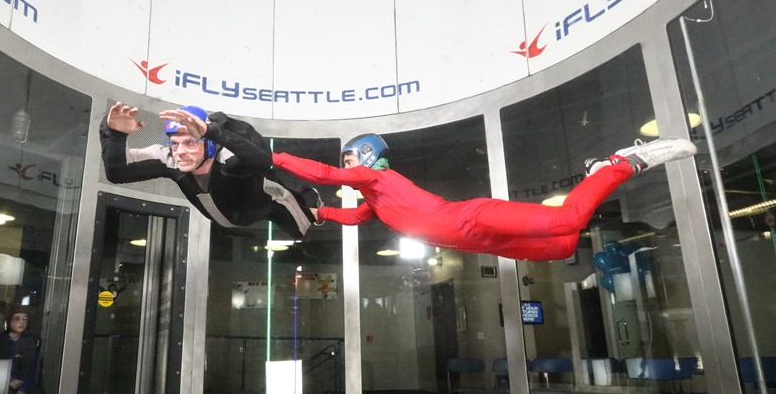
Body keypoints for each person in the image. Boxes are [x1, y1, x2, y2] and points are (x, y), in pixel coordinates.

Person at [271, 135, 697, 262]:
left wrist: (272, 156)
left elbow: (326, 173)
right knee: (565, 245)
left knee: (568, 220)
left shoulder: (372, 176)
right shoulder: (373, 197)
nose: (343, 163)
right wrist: (321, 212)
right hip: (484, 243)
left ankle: (619, 163)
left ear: (364, 156)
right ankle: (599, 172)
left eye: (348, 155)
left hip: (475, 220)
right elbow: (356, 219)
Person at [100, 103, 321, 238]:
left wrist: (213, 131)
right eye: (175, 143)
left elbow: (263, 160)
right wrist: (116, 135)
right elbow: (116, 172)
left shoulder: (228, 158)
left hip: (263, 204)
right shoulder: (170, 159)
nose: (180, 152)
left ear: (211, 145)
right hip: (225, 215)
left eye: (190, 143)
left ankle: (310, 197)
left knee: (302, 226)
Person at [0, 306, 48, 394]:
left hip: (21, 383)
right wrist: (9, 381)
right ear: (8, 321)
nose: (21, 322)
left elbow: (30, 368)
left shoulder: (29, 342)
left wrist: (24, 388)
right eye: (17, 319)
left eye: (25, 319)